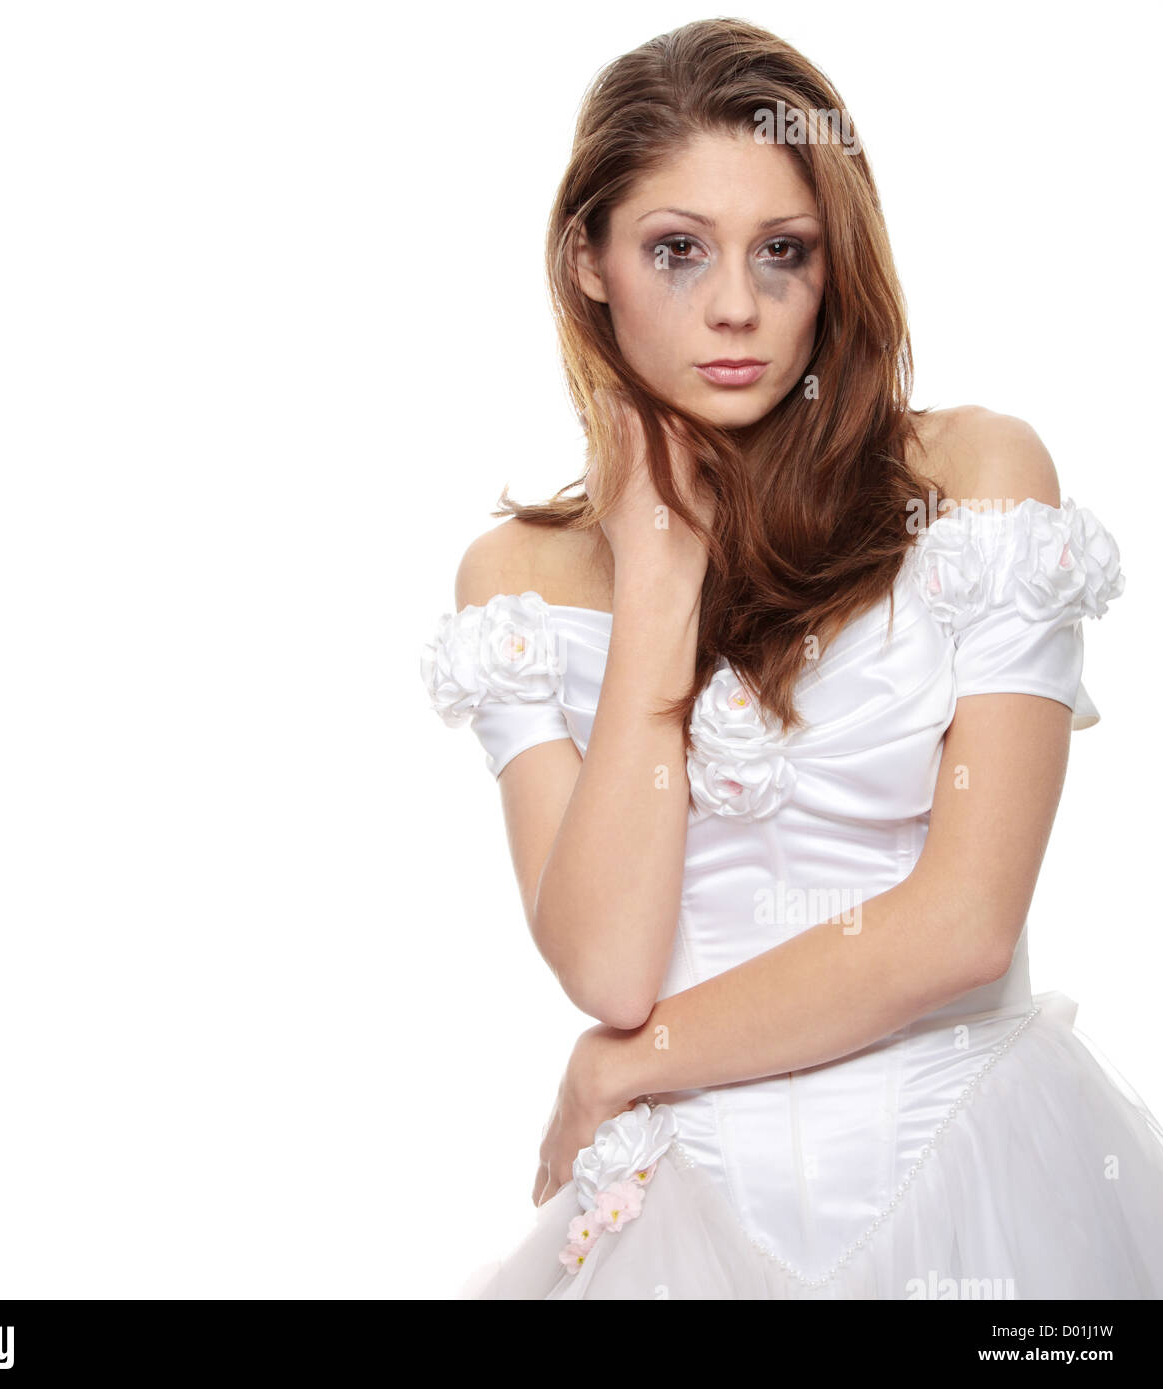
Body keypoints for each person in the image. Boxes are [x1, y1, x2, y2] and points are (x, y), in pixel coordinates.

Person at [418, 17, 1163, 1299]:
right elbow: (606, 966)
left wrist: (631, 1061)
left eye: (782, 253)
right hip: (681, 1211)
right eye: (676, 250)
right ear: (586, 261)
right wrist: (658, 579)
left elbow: (965, 927)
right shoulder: (518, 582)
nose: (735, 308)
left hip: (971, 1168)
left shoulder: (979, 483)